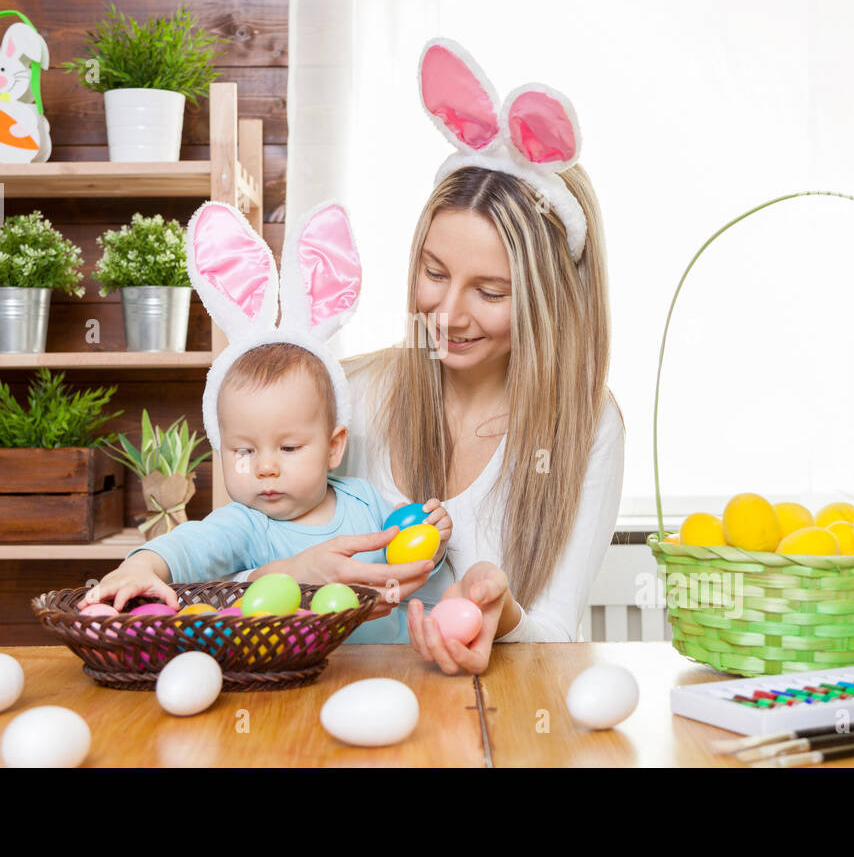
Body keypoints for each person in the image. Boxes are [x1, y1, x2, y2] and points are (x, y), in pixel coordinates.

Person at [238, 38, 626, 674]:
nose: (448, 316)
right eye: (435, 273)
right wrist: (301, 572)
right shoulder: (349, 394)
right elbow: (230, 572)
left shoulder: (589, 427)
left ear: (548, 303)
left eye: (491, 292)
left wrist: (501, 617)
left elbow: (554, 631)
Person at [82, 199, 453, 644]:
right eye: (244, 451)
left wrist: (433, 536)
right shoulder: (246, 523)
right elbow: (185, 546)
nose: (266, 468)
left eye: (289, 448)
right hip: (286, 692)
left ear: (334, 446)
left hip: (386, 679)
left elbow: (409, 558)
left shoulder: (367, 501)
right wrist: (138, 568)